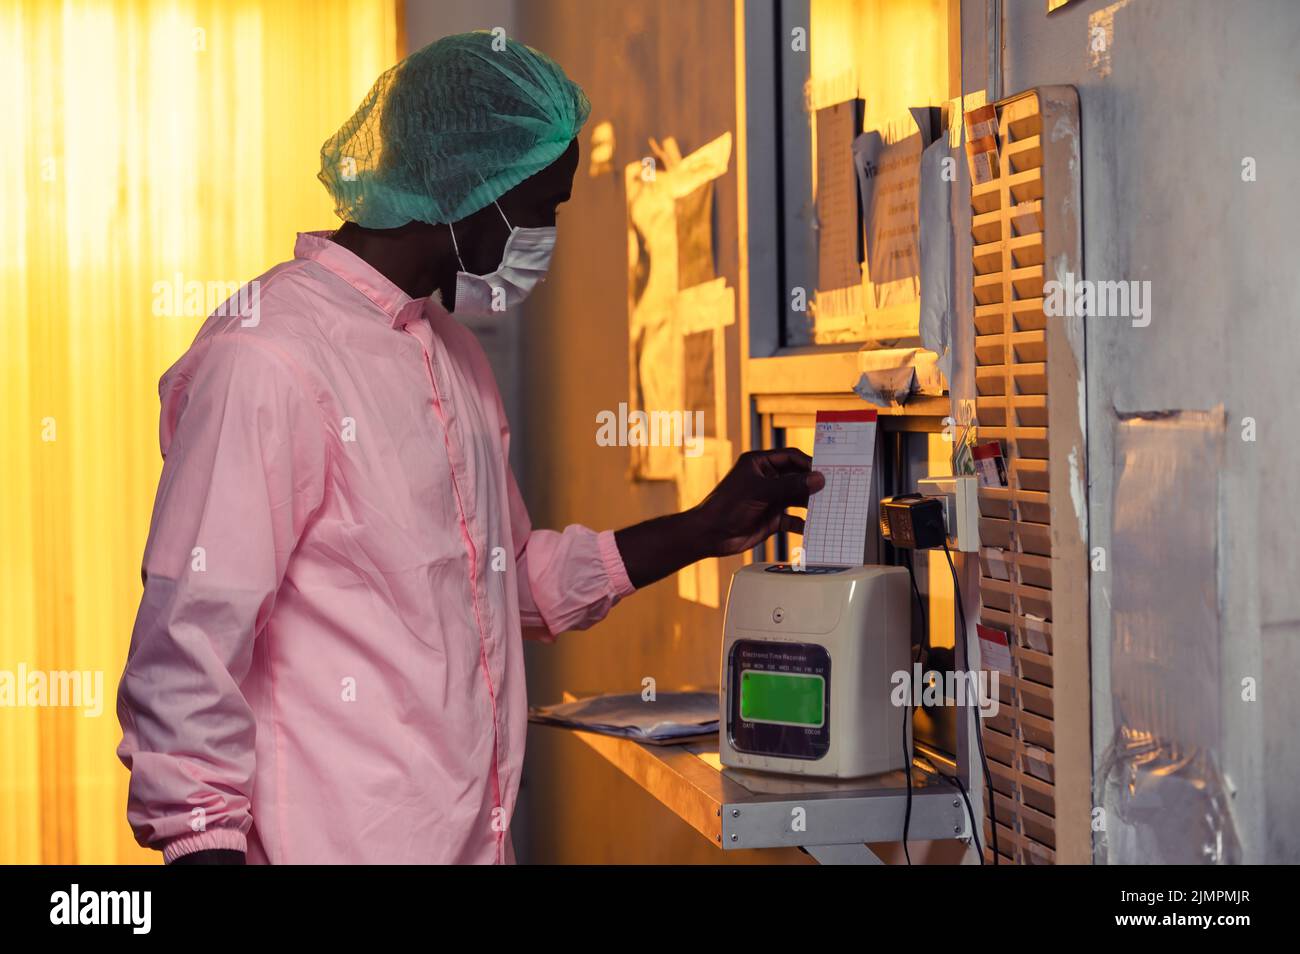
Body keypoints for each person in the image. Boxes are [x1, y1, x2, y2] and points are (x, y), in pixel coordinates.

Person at [116, 31, 823, 865]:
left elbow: (497, 580)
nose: (546, 238)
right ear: (470, 190)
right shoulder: (267, 359)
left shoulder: (451, 353)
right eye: (543, 208)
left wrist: (703, 528)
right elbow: (188, 653)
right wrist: (204, 847)